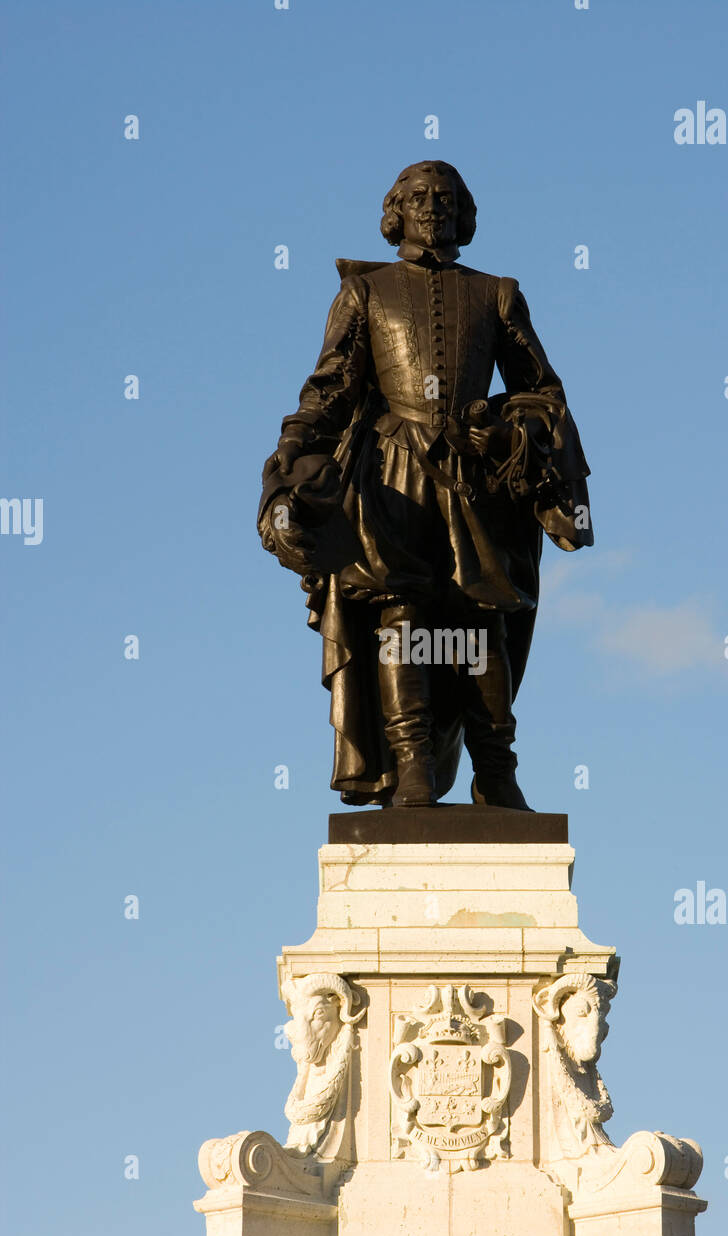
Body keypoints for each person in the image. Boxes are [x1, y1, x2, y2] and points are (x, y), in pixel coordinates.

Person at [258, 161, 593, 809]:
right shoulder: (365, 293)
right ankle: (411, 764)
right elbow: (329, 390)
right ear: (396, 211)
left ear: (463, 213)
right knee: (399, 614)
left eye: (445, 198)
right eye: (417, 197)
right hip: (392, 474)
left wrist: (508, 433)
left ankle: (496, 770)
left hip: (474, 478)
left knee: (481, 617)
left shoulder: (497, 293)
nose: (432, 207)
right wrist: (291, 455)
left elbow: (544, 393)